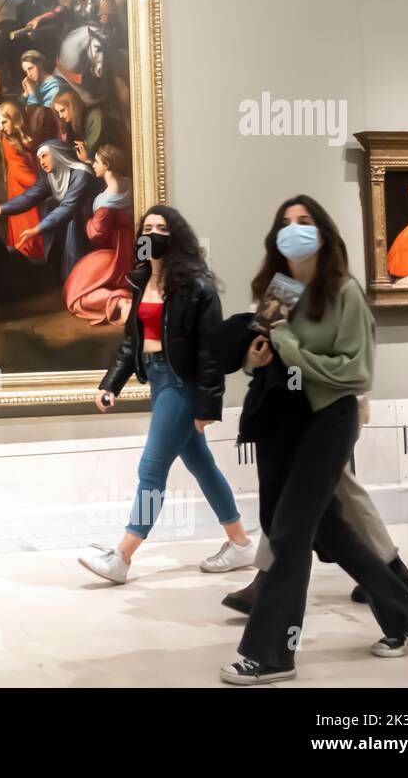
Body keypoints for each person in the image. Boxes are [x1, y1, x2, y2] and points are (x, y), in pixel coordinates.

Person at [220, 196, 408, 685]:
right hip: (287, 420)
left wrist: (288, 345)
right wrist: (259, 357)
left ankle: (272, 652)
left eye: (305, 221)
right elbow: (258, 359)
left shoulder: (345, 292)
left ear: (323, 232)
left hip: (331, 419)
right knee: (326, 528)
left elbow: (355, 371)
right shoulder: (280, 290)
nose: (295, 230)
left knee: (290, 532)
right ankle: (403, 611)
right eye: (286, 223)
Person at [81, 205, 253, 583]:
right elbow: (132, 342)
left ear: (176, 236)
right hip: (158, 380)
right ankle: (240, 542)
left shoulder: (197, 286)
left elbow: (209, 352)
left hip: (181, 384)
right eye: (148, 228)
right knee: (200, 463)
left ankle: (122, 557)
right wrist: (111, 384)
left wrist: (207, 404)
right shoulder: (141, 281)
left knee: (151, 469)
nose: (154, 234)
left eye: (161, 228)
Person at [0, 107, 98, 281]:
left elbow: (67, 208)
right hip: (62, 220)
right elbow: (30, 196)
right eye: (39, 158)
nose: (41, 162)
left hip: (83, 225)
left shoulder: (81, 174)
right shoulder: (52, 176)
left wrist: (37, 228)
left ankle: (75, 278)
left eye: (45, 157)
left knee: (69, 223)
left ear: (58, 155)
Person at [63, 144, 134, 325]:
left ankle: (120, 303)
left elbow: (96, 235)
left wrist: (86, 220)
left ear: (107, 165)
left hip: (117, 256)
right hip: (130, 248)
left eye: (96, 162)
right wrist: (87, 161)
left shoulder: (106, 204)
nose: (93, 165)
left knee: (74, 294)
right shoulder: (128, 184)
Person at [0, 101, 45, 261]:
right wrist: (42, 185)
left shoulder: (25, 138)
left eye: (4, 122)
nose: (1, 127)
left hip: (28, 186)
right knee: (26, 225)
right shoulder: (7, 142)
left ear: (14, 119)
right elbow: (19, 171)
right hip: (21, 187)